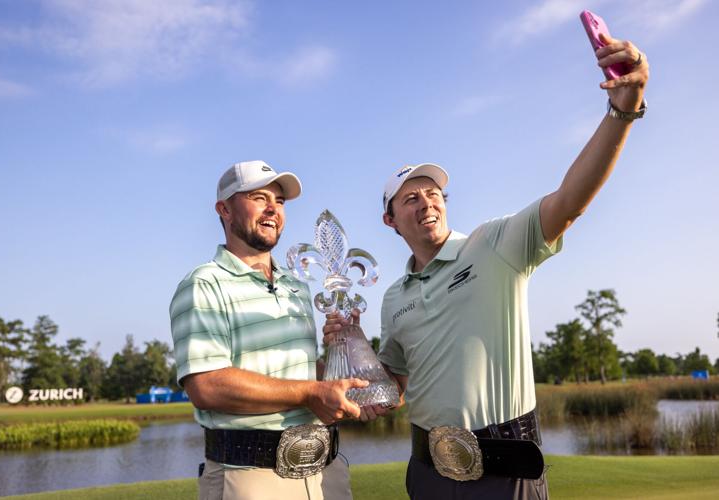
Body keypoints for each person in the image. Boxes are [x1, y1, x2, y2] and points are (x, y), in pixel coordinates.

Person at [324, 33, 649, 499]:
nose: (427, 203)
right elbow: (392, 389)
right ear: (390, 220)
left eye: (434, 193)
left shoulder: (495, 243)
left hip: (505, 470)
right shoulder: (394, 296)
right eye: (411, 198)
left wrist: (622, 111)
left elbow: (570, 201)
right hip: (427, 473)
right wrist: (353, 348)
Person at [170, 160, 367, 500]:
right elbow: (206, 386)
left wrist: (342, 368)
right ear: (224, 209)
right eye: (259, 198)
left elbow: (303, 373)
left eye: (279, 201)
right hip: (251, 475)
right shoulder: (204, 284)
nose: (272, 209)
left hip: (326, 471)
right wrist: (310, 393)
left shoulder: (296, 287)